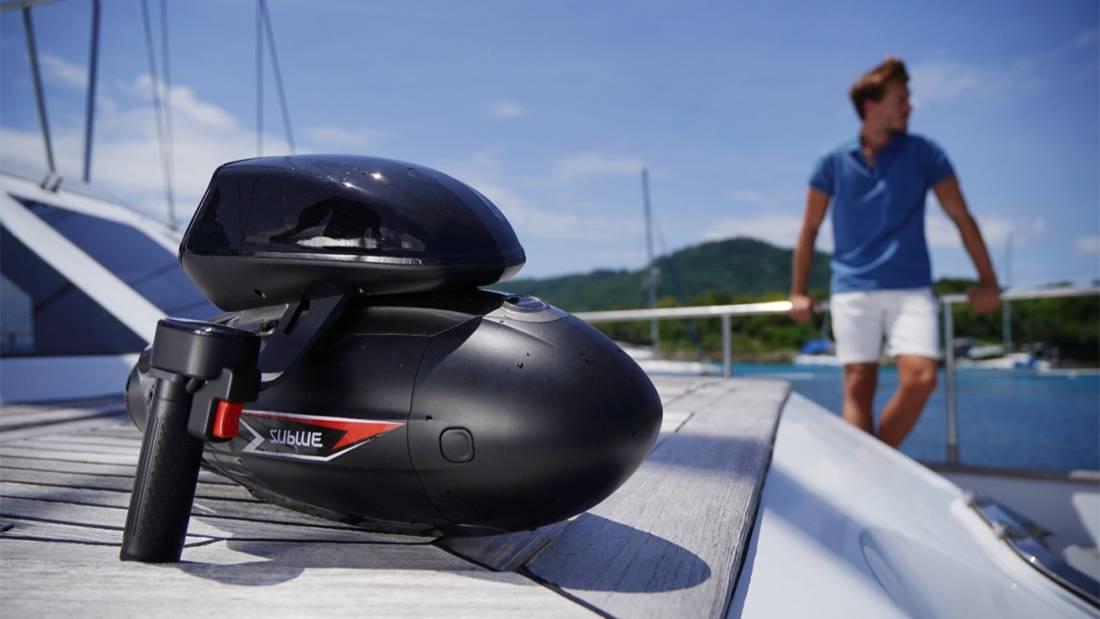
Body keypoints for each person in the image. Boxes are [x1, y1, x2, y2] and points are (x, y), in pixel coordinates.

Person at [789, 57, 1000, 447]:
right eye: (900, 98)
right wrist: (798, 291)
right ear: (872, 105)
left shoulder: (925, 154)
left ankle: (870, 464)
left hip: (911, 287)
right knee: (858, 384)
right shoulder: (831, 163)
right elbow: (810, 229)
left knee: (921, 378)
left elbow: (961, 216)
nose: (909, 106)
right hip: (852, 286)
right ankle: (867, 471)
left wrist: (989, 280)